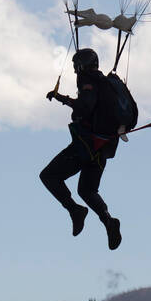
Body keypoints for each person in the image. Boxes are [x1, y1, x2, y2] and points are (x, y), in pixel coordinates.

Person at [40, 48, 123, 250]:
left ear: (82, 65)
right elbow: (89, 106)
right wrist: (63, 98)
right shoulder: (104, 84)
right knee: (87, 190)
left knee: (49, 176)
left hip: (85, 146)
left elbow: (85, 107)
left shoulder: (88, 80)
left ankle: (75, 210)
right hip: (102, 147)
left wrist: (69, 102)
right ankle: (108, 221)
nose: (76, 71)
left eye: (77, 67)